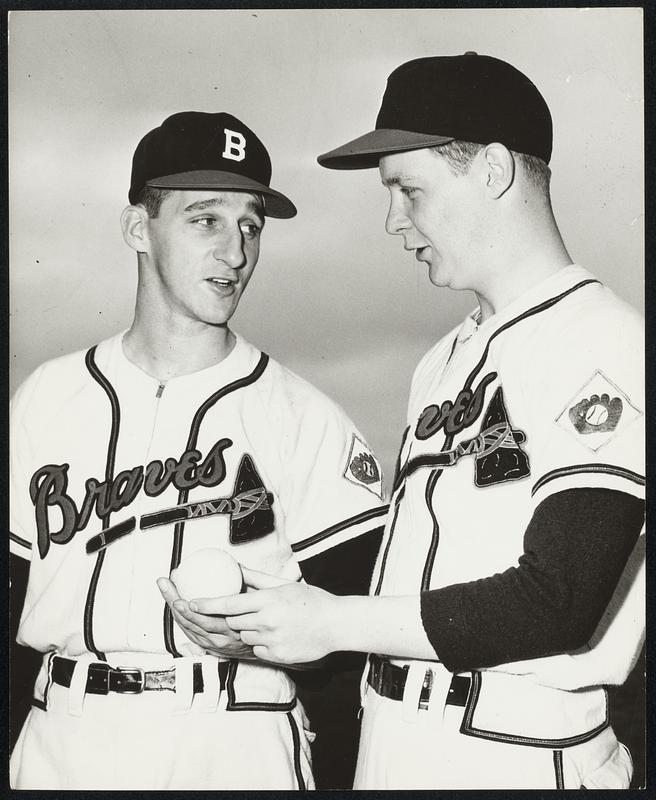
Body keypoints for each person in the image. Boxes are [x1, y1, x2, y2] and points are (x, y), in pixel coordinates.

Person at [171, 55, 645, 789]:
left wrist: (329, 622)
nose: (393, 220)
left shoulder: (606, 340)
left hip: (516, 751)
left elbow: (561, 600)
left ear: (490, 170)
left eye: (407, 189)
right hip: (390, 740)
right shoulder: (441, 361)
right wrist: (276, 625)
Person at [9, 111, 387, 790]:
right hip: (61, 733)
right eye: (205, 219)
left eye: (250, 224)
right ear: (137, 228)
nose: (236, 252)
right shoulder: (47, 397)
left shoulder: (305, 418)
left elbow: (355, 649)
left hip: (233, 735)